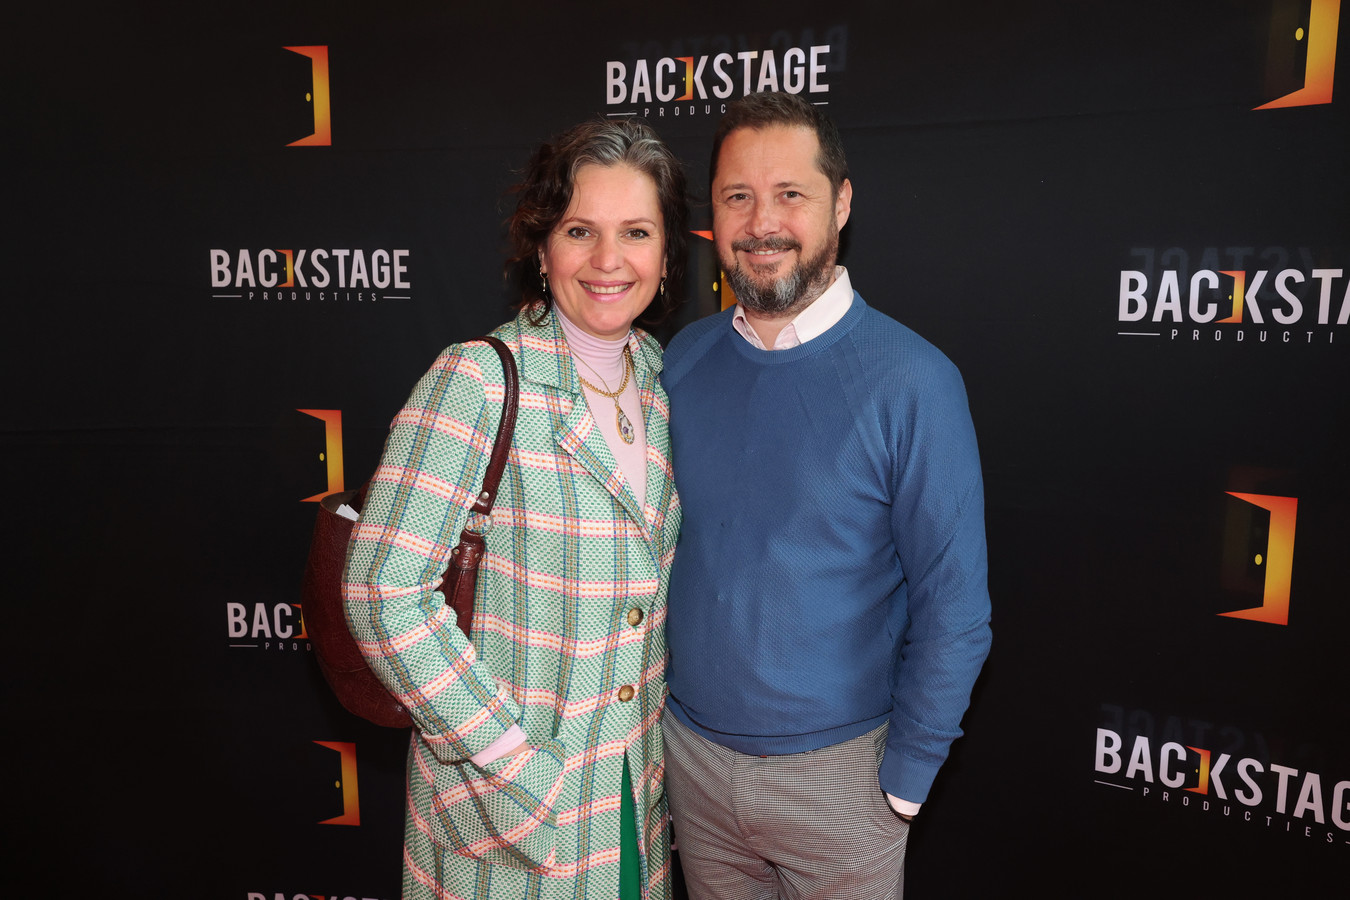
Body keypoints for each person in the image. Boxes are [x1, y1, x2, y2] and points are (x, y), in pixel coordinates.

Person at [343, 118, 687, 900]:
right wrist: (511, 757)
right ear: (542, 248)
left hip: (633, 809)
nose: (609, 260)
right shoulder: (477, 381)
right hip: (509, 824)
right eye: (580, 230)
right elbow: (381, 590)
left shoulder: (666, 383)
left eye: (636, 232)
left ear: (666, 256)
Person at [660, 91, 992, 899]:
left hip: (844, 780)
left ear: (841, 203)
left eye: (790, 195)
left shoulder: (914, 382)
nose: (760, 221)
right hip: (689, 766)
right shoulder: (678, 363)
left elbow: (956, 605)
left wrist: (904, 781)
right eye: (738, 196)